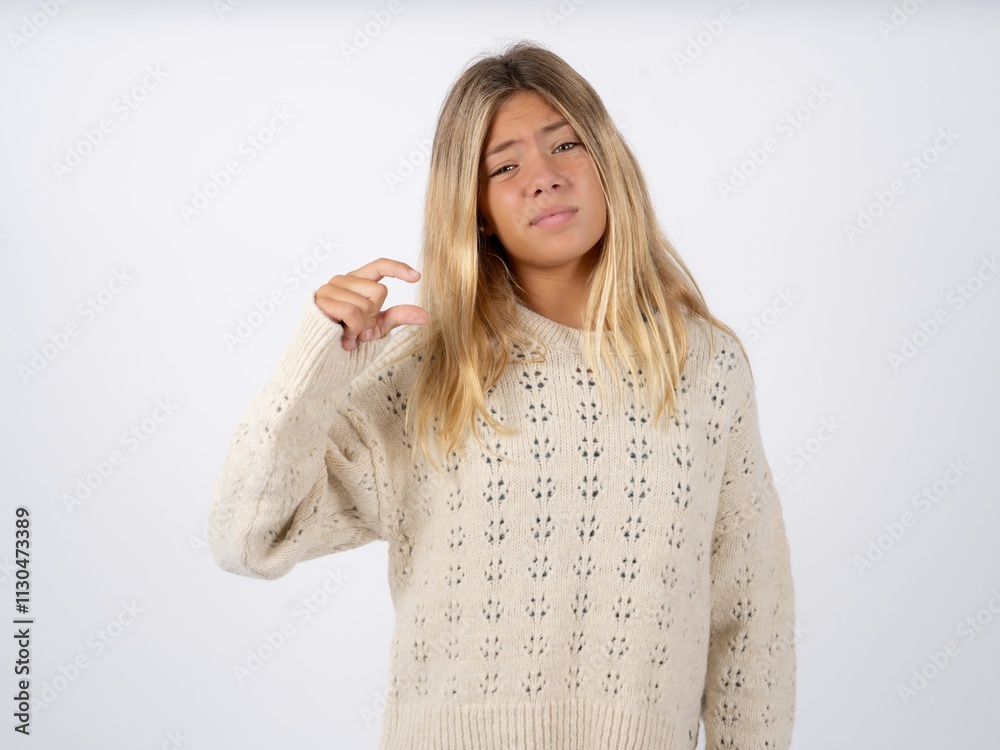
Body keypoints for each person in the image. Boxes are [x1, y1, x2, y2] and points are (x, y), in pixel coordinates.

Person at [209, 39, 797, 750]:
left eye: (565, 146)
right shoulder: (430, 373)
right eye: (505, 166)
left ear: (608, 163)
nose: (543, 179)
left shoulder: (706, 366)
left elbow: (750, 615)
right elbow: (247, 540)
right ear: (477, 207)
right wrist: (317, 362)